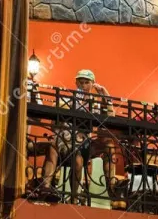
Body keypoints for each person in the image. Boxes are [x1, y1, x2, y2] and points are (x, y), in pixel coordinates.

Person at [42, 68, 115, 200]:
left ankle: (112, 189)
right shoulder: (67, 99)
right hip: (66, 142)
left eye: (86, 82)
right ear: (76, 83)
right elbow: (54, 115)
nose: (83, 85)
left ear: (93, 84)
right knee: (76, 159)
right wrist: (74, 102)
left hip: (84, 143)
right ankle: (57, 191)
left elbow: (110, 118)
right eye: (80, 82)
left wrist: (106, 97)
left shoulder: (96, 104)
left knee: (109, 146)